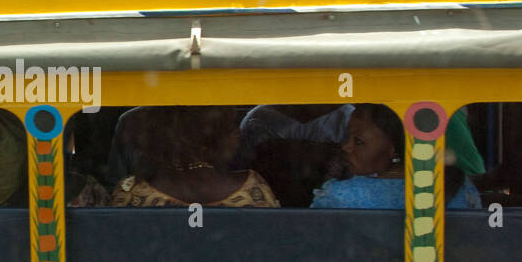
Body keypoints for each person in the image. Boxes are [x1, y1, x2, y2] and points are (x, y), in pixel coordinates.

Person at [310, 104, 481, 209]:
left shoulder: (339, 197)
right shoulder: (463, 188)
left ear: (393, 149)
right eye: (348, 137)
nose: (346, 147)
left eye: (359, 141)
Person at [108, 106, 279, 208]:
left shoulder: (132, 190)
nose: (239, 133)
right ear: (209, 141)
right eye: (231, 128)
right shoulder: (254, 188)